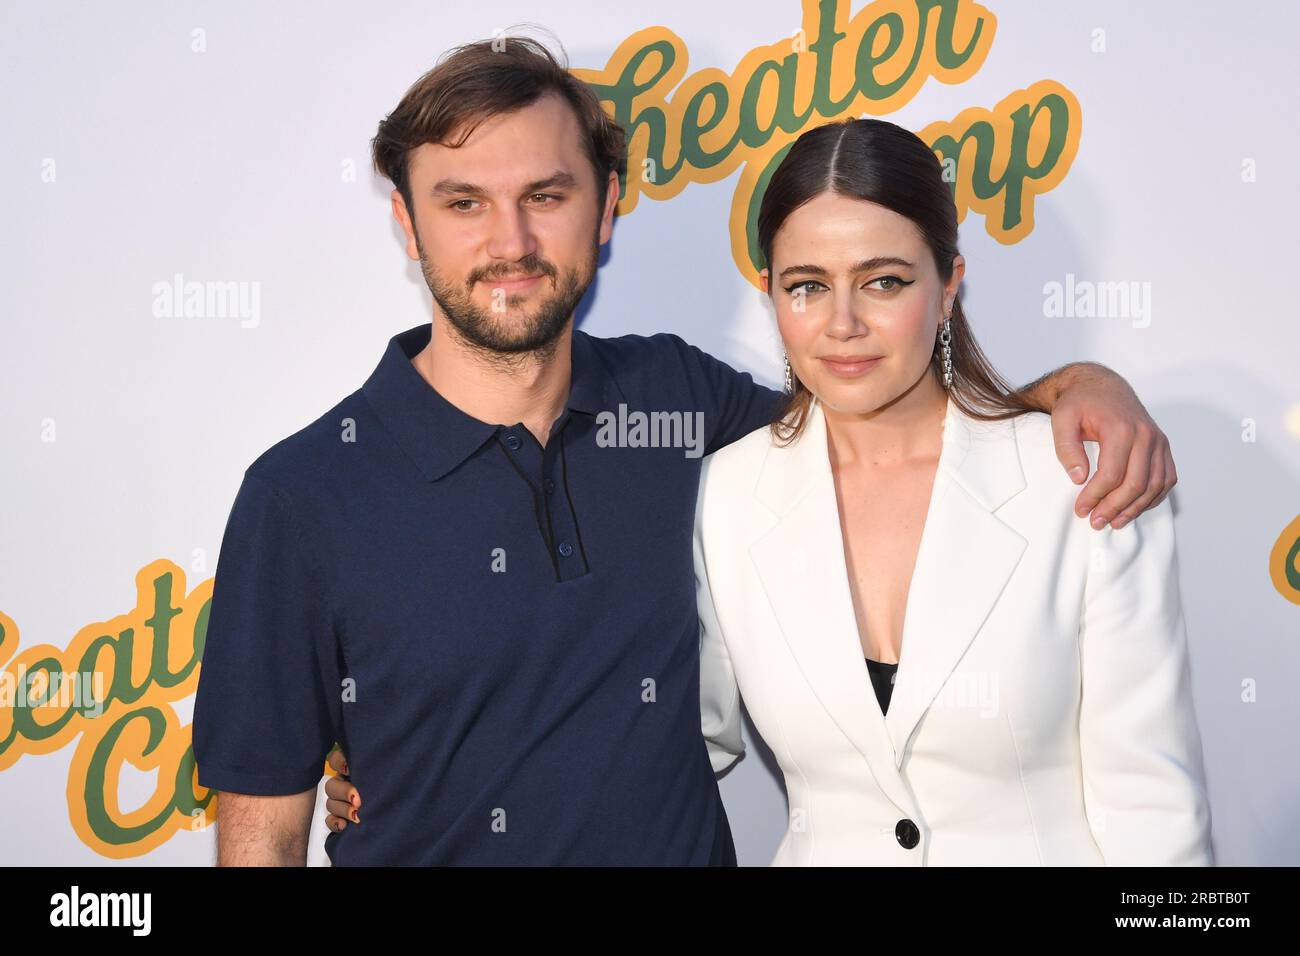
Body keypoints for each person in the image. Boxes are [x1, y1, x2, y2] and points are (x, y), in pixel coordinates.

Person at [194, 36, 1179, 866]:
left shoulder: (681, 403)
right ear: (405, 223)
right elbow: (263, 833)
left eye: (546, 193)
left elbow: (877, 401)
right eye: (461, 202)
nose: (510, 238)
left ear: (607, 204)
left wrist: (1075, 386)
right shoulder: (303, 495)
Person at [689, 117, 1212, 865]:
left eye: (884, 282)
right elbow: (677, 752)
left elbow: (1154, 811)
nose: (842, 324)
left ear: (947, 289)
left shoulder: (1078, 481)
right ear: (769, 293)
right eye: (807, 286)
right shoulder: (725, 497)